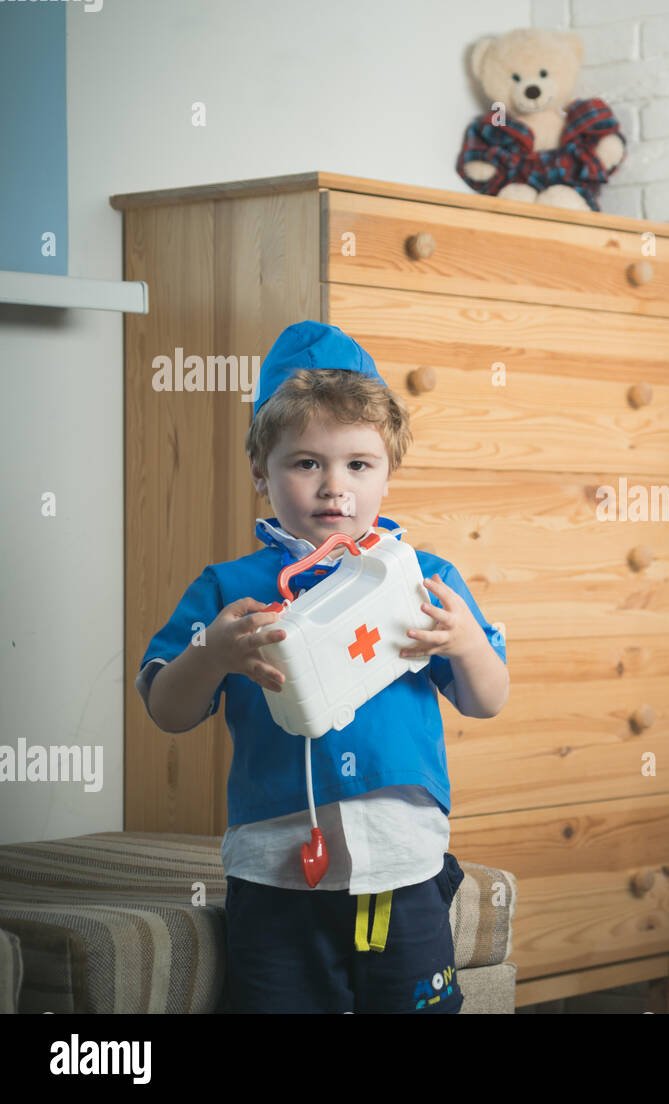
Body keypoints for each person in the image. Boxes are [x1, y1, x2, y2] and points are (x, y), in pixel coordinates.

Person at [136, 321, 509, 1013]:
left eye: (358, 465)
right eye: (306, 463)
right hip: (277, 874)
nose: (334, 488)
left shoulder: (424, 580)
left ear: (389, 471)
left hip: (403, 866)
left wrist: (465, 644)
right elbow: (166, 708)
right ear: (261, 470)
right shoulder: (229, 589)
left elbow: (488, 699)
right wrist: (212, 654)